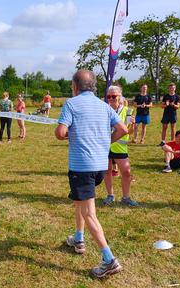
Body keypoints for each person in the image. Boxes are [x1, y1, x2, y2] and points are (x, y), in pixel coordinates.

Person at [55, 69, 127, 278]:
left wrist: (72, 133)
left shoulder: (71, 104)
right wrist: (104, 142)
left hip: (82, 167)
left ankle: (109, 259)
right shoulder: (104, 106)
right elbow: (123, 129)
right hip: (99, 166)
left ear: (74, 86)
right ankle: (78, 238)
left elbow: (60, 133)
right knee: (81, 201)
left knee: (89, 212)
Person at [103, 86, 137, 207]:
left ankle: (126, 197)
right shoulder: (103, 110)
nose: (111, 98)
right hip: (105, 146)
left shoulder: (128, 111)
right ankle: (110, 195)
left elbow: (129, 131)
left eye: (114, 96)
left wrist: (133, 126)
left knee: (126, 172)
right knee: (107, 171)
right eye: (109, 96)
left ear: (120, 96)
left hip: (120, 147)